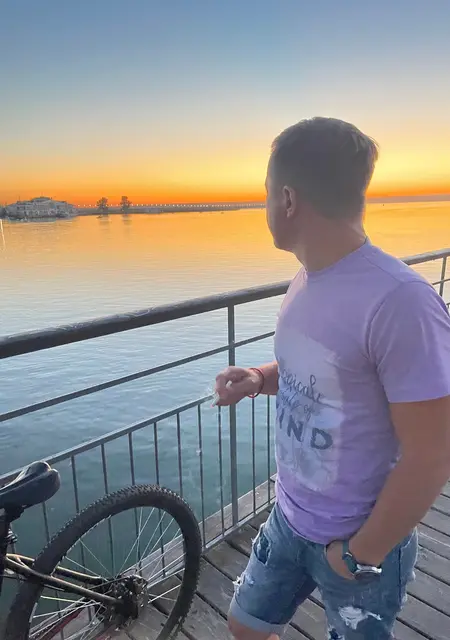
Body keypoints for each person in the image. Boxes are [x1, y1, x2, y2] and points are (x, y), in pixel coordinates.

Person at [214, 117, 450, 640]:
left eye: (267, 193)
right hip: (289, 518)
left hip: (358, 543)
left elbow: (432, 454)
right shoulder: (308, 276)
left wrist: (360, 553)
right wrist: (258, 377)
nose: (265, 206)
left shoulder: (401, 302)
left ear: (288, 199)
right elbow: (320, 373)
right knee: (245, 625)